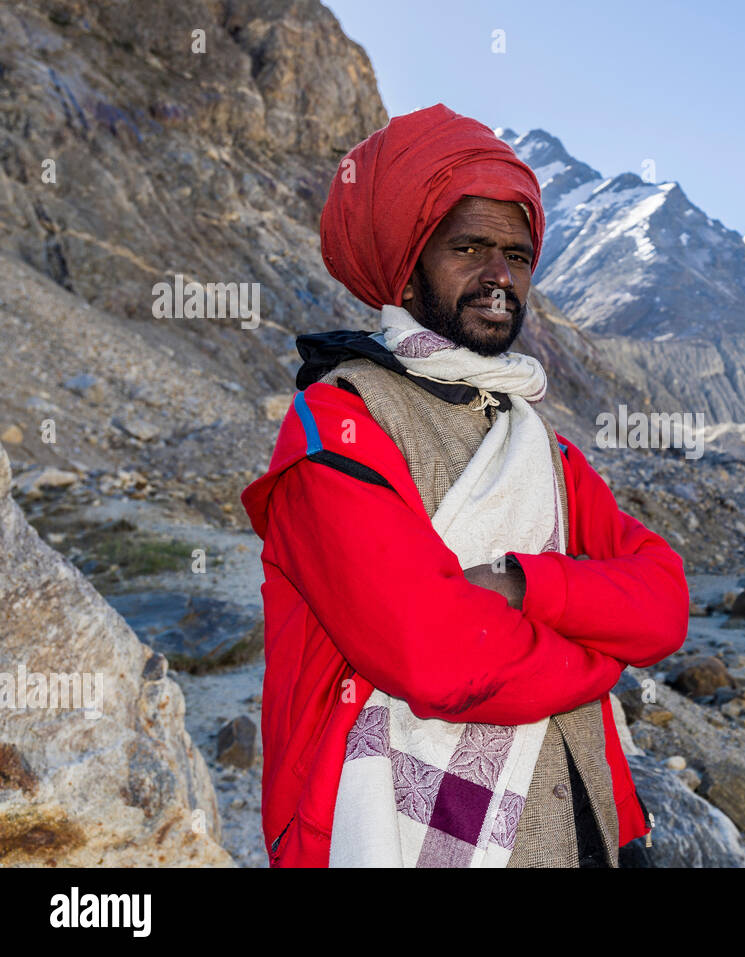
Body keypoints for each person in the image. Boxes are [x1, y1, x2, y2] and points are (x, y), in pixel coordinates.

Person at [240, 103, 688, 868]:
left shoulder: (536, 439)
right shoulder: (336, 428)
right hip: (390, 828)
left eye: (516, 254)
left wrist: (525, 584)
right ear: (407, 266)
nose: (498, 277)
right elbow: (434, 656)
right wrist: (597, 661)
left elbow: (665, 602)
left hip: (585, 818)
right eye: (469, 247)